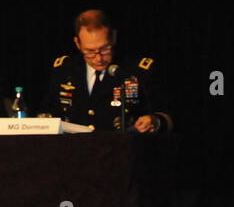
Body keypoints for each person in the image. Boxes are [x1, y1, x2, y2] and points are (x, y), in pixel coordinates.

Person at [41, 9, 170, 132]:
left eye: (104, 49)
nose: (98, 58)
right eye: (89, 51)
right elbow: (48, 114)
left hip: (121, 150)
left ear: (113, 37)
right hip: (74, 151)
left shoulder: (137, 71)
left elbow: (166, 116)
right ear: (77, 43)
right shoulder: (64, 70)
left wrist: (154, 121)